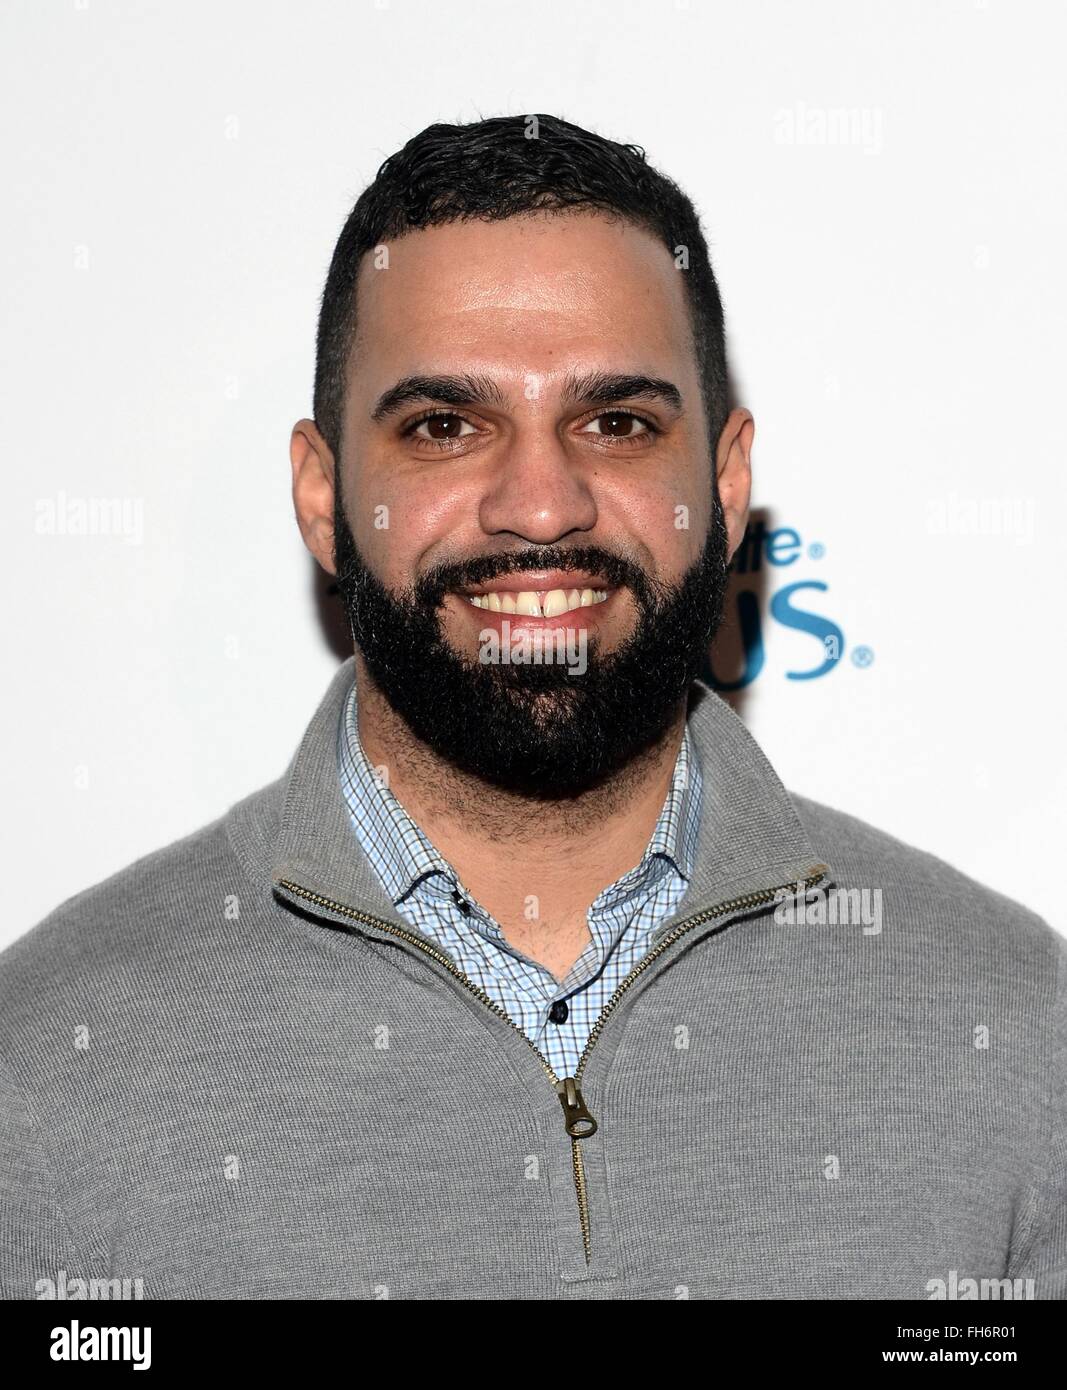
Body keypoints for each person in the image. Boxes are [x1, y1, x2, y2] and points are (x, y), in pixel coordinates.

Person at [2, 114, 1063, 1301]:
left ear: (720, 484)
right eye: (444, 426)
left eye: (615, 422)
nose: (540, 503)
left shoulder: (1019, 1034)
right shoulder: (45, 1064)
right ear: (321, 495)